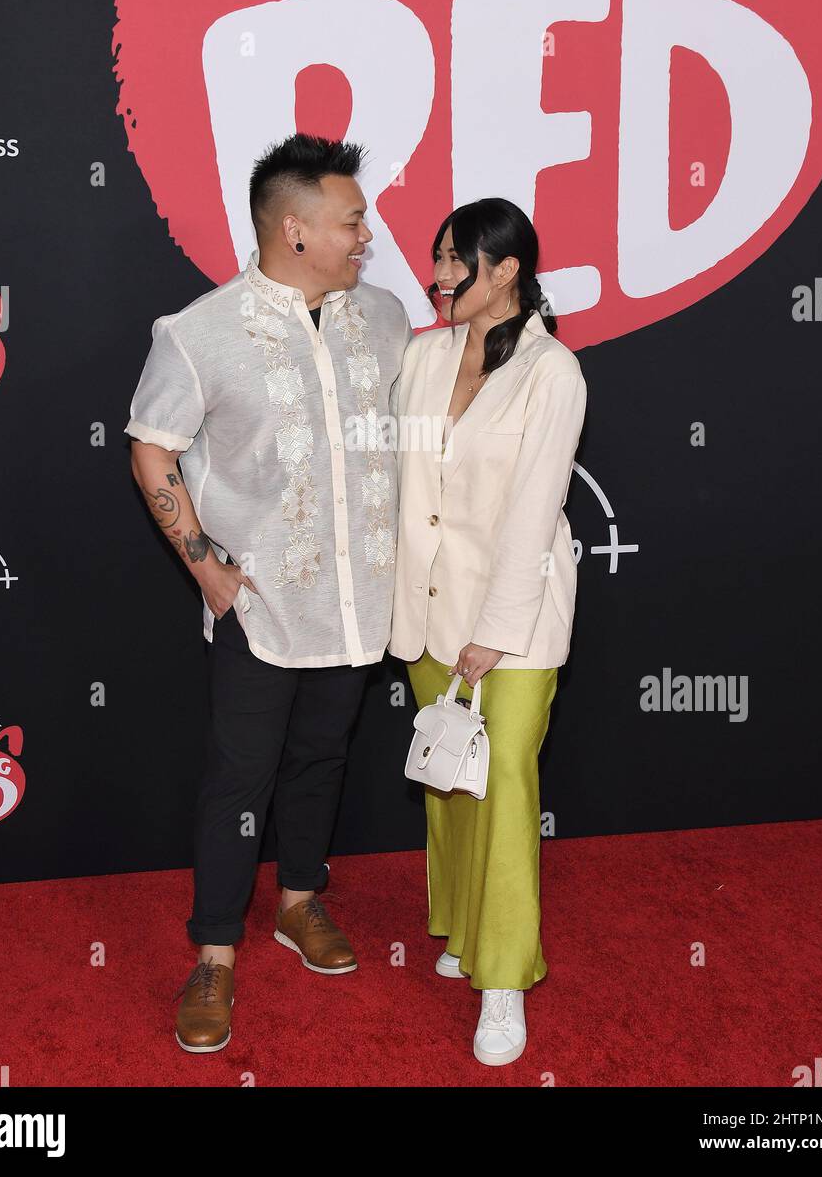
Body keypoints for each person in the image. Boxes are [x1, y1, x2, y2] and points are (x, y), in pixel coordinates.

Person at [125, 133, 411, 1053]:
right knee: (237, 778)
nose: (367, 234)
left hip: (360, 599)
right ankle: (214, 954)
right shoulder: (199, 331)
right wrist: (204, 562)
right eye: (352, 220)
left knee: (321, 759)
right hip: (259, 605)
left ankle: (298, 902)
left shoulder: (388, 317)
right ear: (295, 229)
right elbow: (150, 446)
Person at [388, 198, 587, 1067]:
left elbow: (533, 514)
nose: (435, 277)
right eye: (434, 259)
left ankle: (503, 979)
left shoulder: (554, 373)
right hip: (430, 611)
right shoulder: (423, 355)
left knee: (502, 778)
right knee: (448, 775)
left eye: (452, 262)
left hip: (512, 623)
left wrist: (492, 634)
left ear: (504, 272)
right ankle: (464, 930)